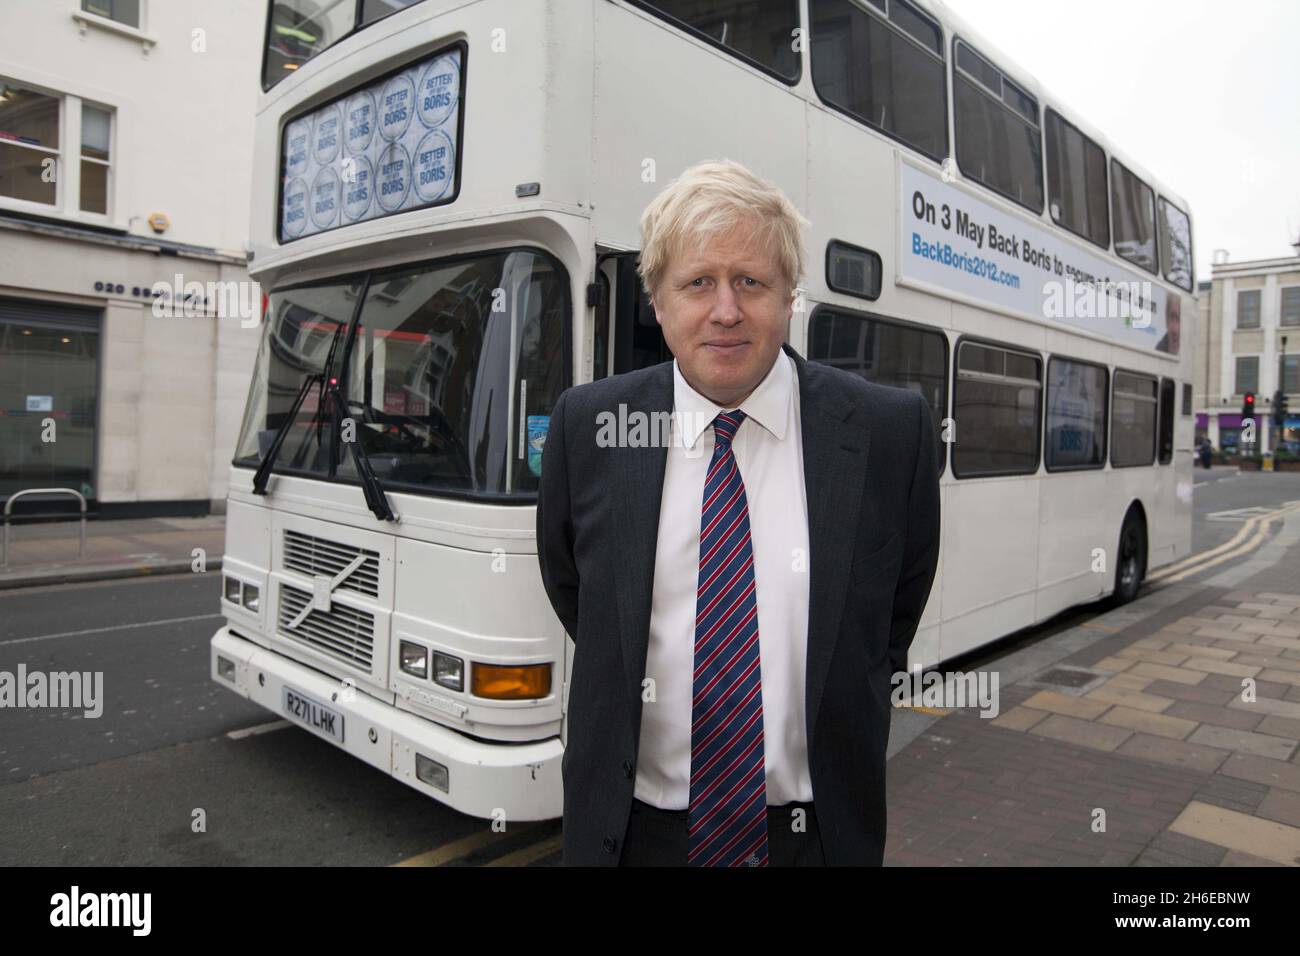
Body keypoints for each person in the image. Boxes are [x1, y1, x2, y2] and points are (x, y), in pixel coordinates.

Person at [535, 159, 940, 866]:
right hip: (632, 839)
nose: (726, 310)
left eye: (751, 282)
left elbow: (890, 618)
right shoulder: (590, 426)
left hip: (813, 842)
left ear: (789, 298)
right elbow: (579, 596)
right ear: (657, 302)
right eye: (697, 283)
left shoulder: (888, 431)